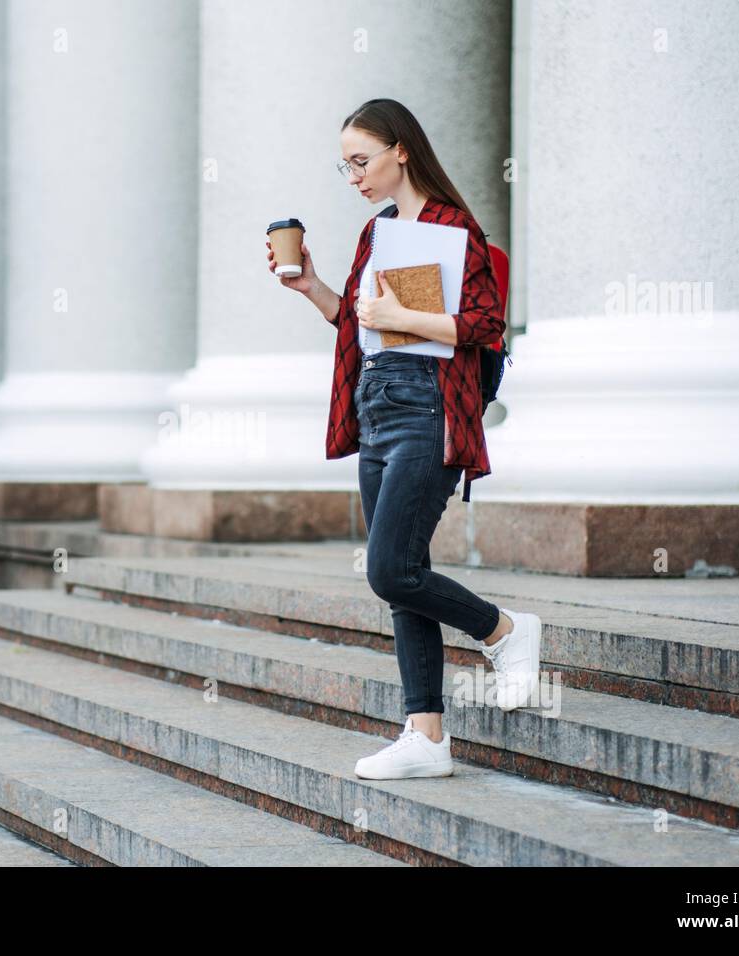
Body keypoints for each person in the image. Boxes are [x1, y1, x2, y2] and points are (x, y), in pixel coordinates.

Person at [266, 98, 542, 780]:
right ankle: (426, 736)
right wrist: (311, 288)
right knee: (401, 575)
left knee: (389, 567)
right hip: (377, 405)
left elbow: (484, 325)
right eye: (346, 166)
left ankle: (504, 630)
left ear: (402, 152)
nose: (355, 176)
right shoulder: (375, 233)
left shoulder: (457, 228)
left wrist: (405, 315)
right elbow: (360, 328)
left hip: (429, 408)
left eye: (363, 161)